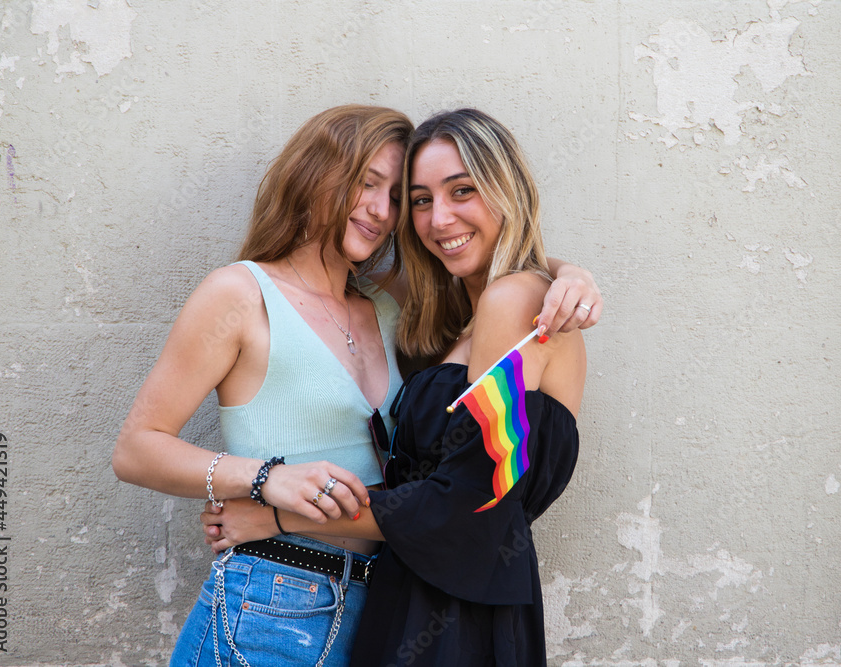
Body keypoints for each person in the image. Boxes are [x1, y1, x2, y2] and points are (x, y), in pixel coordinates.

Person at [113, 104, 600, 667]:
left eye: (396, 197)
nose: (383, 210)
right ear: (313, 174)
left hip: (384, 602)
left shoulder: (392, 308)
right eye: (369, 184)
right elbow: (136, 449)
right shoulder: (241, 295)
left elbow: (466, 494)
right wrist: (266, 480)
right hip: (273, 600)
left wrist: (569, 275)